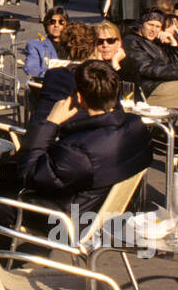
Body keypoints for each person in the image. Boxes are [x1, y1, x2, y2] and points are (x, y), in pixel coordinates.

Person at [19, 60, 152, 219]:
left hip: (66, 219)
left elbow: (28, 175)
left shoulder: (79, 150)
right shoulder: (136, 125)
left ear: (79, 97)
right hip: (108, 213)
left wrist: (51, 123)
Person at [28, 22, 97, 124]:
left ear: (64, 47)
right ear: (92, 48)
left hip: (46, 127)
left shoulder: (53, 75)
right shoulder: (93, 76)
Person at [23, 7, 69, 78]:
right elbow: (31, 68)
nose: (56, 25)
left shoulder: (73, 45)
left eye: (61, 22)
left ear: (66, 25)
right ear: (46, 24)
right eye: (52, 22)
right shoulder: (36, 46)